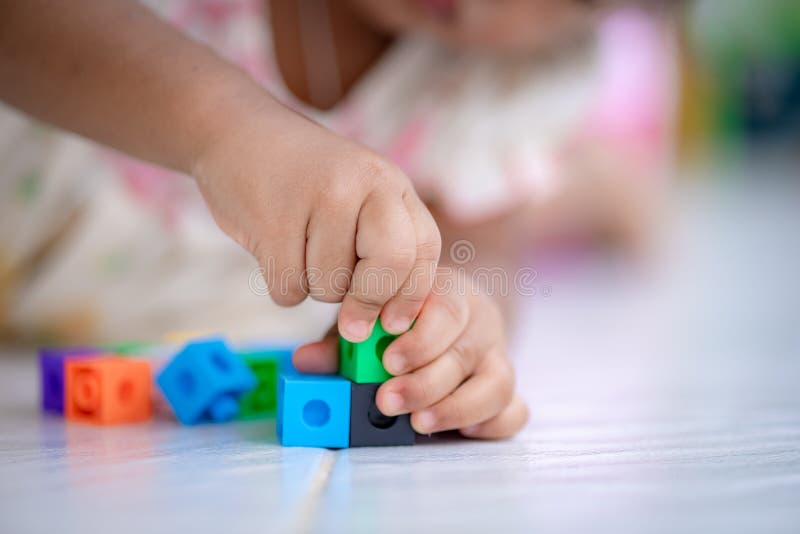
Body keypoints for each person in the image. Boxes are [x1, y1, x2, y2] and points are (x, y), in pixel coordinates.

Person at [0, 0, 677, 439]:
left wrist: (458, 322)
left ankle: (592, 186)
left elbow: (481, 257)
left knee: (444, 213)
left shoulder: (512, 73)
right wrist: (224, 130)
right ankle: (597, 185)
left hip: (172, 303)